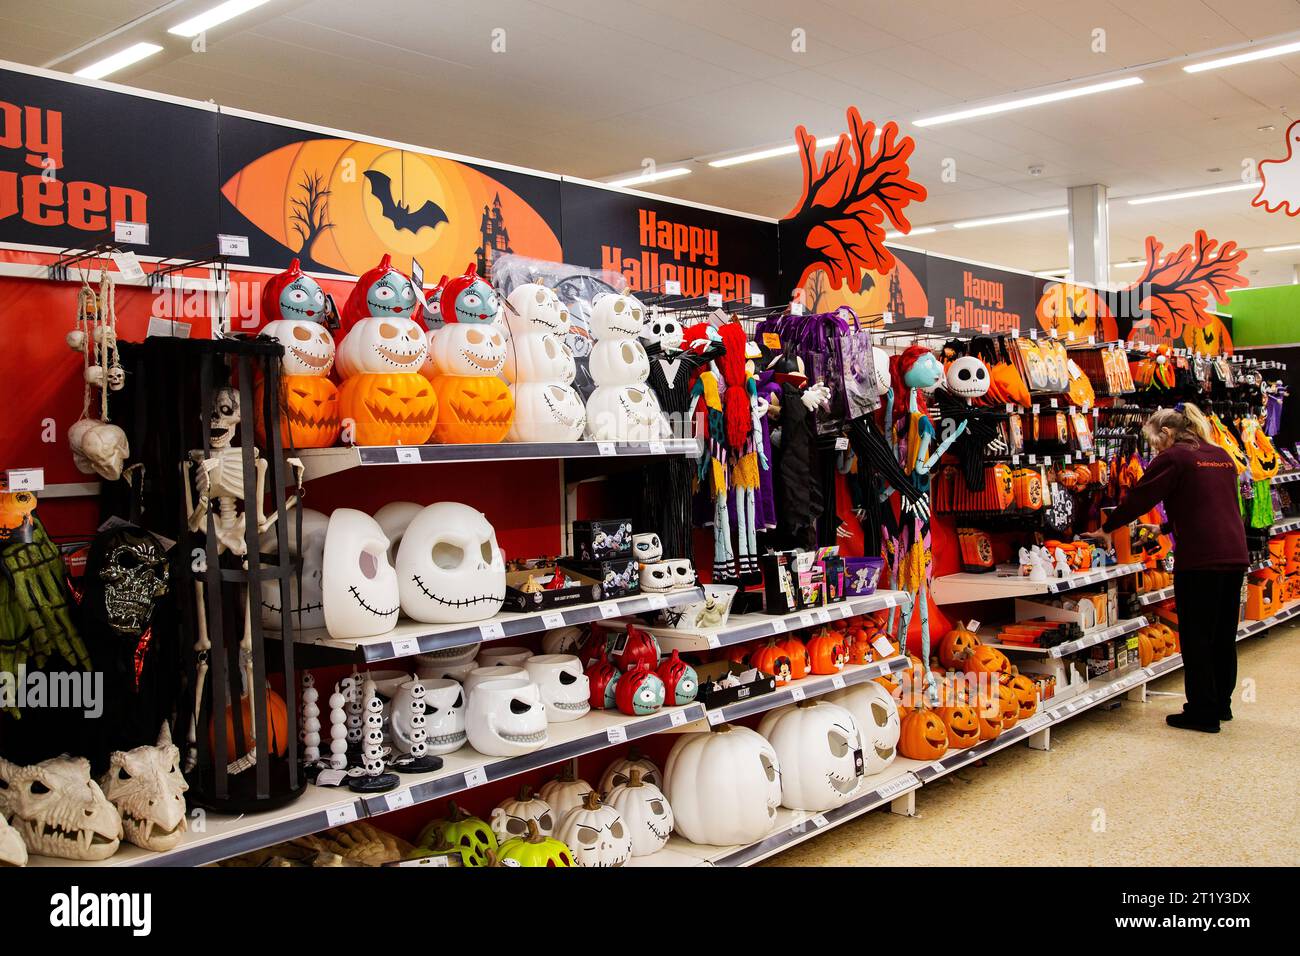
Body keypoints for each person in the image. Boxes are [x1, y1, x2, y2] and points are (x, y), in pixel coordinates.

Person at [1082, 404, 1247, 733]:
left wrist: (1108, 527)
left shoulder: (1175, 458)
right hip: (1234, 555)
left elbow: (1141, 497)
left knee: (1197, 636)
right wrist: (1168, 527)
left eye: (1155, 442)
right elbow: (1215, 504)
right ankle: (1221, 704)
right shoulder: (1221, 455)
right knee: (1222, 636)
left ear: (1168, 433)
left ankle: (1202, 712)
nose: (1154, 449)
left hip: (1201, 560)